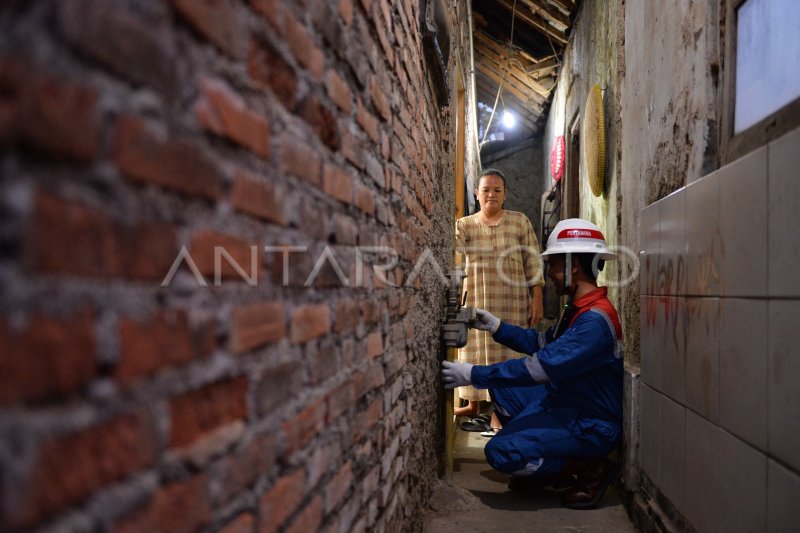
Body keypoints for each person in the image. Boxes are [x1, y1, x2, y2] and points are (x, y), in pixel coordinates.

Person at [442, 218, 623, 509]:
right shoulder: (578, 309)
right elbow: (543, 344)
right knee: (503, 390)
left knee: (500, 453)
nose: (549, 272)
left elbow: (540, 368)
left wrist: (472, 374)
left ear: (572, 265)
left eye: (552, 264)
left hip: (589, 423)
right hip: (565, 401)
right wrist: (497, 327)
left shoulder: (594, 321)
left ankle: (589, 467)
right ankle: (541, 451)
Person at [453, 169, 544, 436]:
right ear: (477, 194)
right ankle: (473, 404)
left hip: (512, 302)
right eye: (486, 190)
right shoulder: (465, 225)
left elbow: (533, 260)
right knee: (477, 349)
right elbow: (453, 253)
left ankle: (501, 412)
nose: (491, 194)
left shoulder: (519, 222)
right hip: (478, 298)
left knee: (510, 352)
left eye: (497, 190)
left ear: (504, 195)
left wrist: (536, 296)